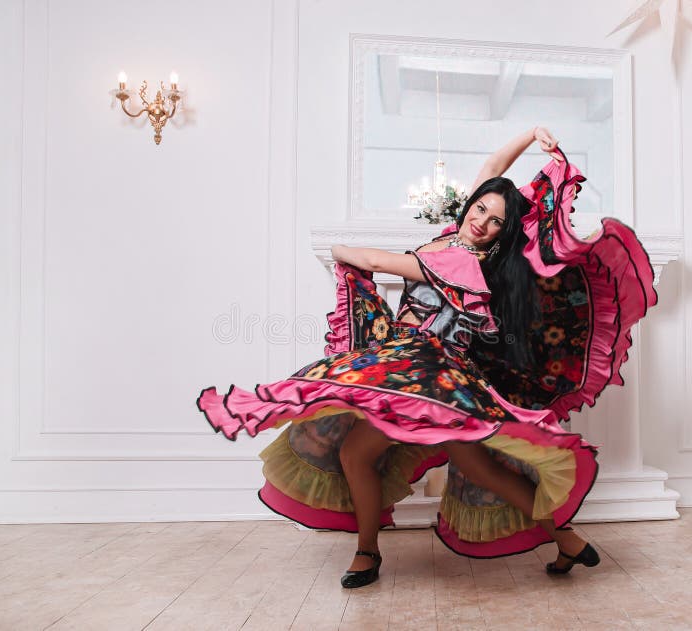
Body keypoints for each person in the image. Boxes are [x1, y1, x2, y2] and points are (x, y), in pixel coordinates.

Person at [196, 126, 657, 589]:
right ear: (470, 205)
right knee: (477, 468)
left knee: (360, 453)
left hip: (424, 371)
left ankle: (367, 552)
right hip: (433, 373)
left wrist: (338, 250)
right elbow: (494, 170)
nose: (483, 222)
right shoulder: (452, 240)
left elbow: (378, 262)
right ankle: (570, 541)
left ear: (502, 233)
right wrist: (527, 136)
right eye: (480, 209)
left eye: (496, 221)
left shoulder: (463, 261)